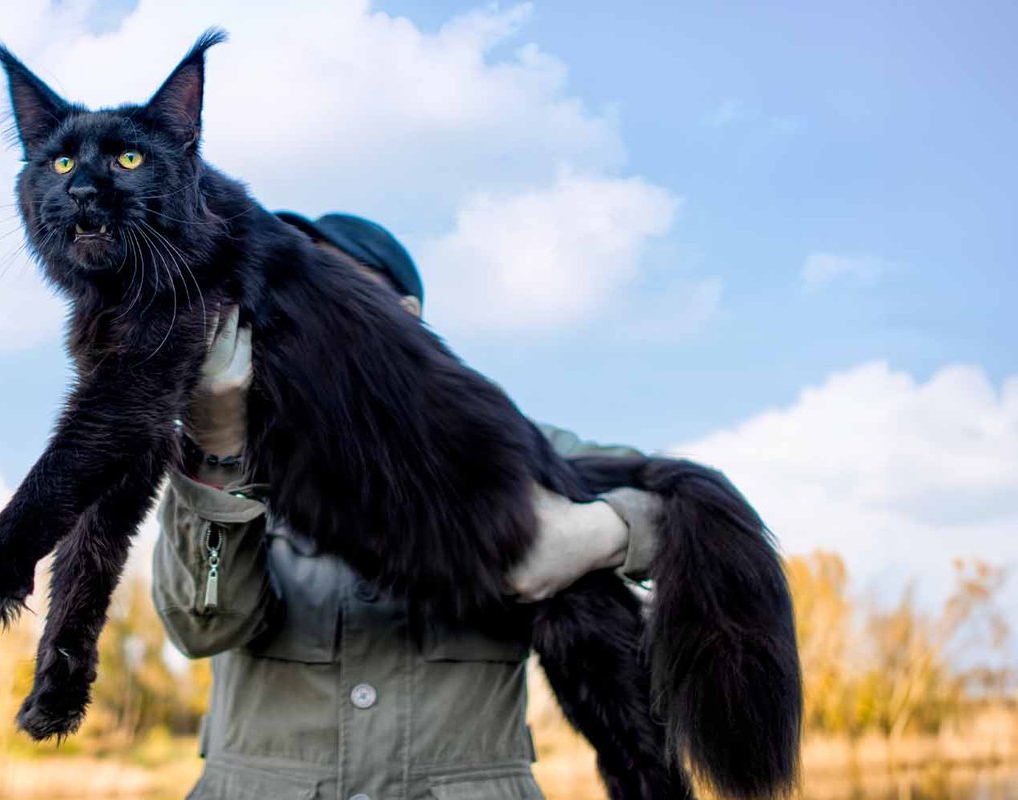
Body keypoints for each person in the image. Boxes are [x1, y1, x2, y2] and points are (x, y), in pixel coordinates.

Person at [153, 212, 663, 800]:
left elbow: (704, 518)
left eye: (328, 283)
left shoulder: (520, 449)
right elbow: (203, 628)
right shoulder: (236, 449)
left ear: (404, 318)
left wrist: (602, 531)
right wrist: (218, 452)